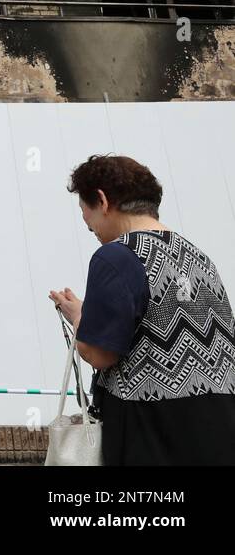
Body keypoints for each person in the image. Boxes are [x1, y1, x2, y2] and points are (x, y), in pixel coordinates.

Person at [50, 154, 235, 465]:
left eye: (88, 217)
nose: (92, 230)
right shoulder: (199, 257)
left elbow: (100, 353)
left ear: (102, 201)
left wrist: (81, 318)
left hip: (151, 431)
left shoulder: (116, 256)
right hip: (219, 430)